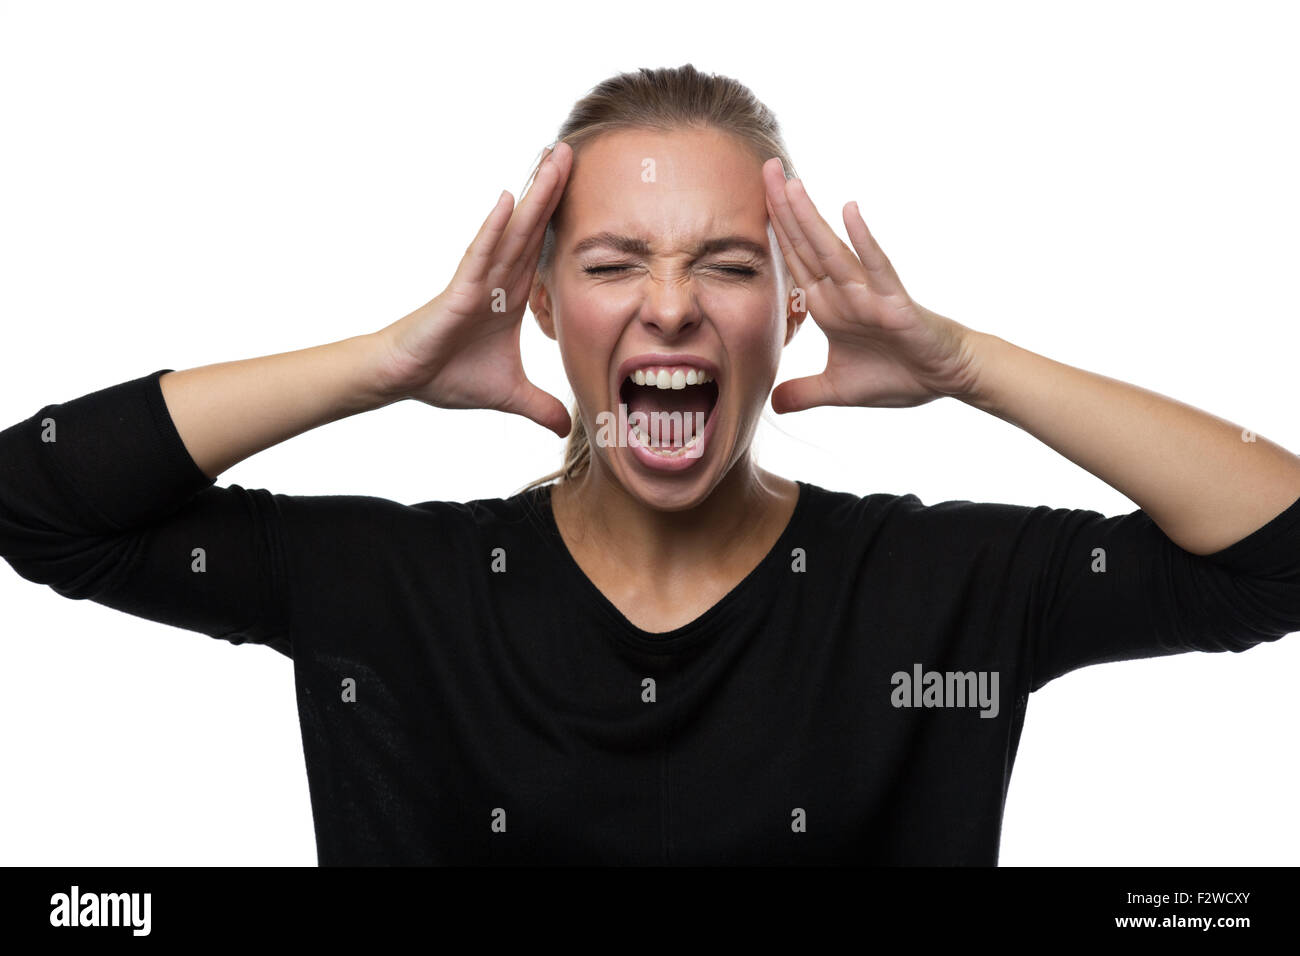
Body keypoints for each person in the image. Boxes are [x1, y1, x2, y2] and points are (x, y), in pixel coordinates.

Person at [3, 63, 1299, 865]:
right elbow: (36, 496)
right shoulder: (389, 590)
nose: (670, 307)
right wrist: (381, 363)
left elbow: (1276, 552)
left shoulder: (934, 587)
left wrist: (967, 364)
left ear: (794, 311)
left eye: (730, 265)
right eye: (614, 264)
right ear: (544, 309)